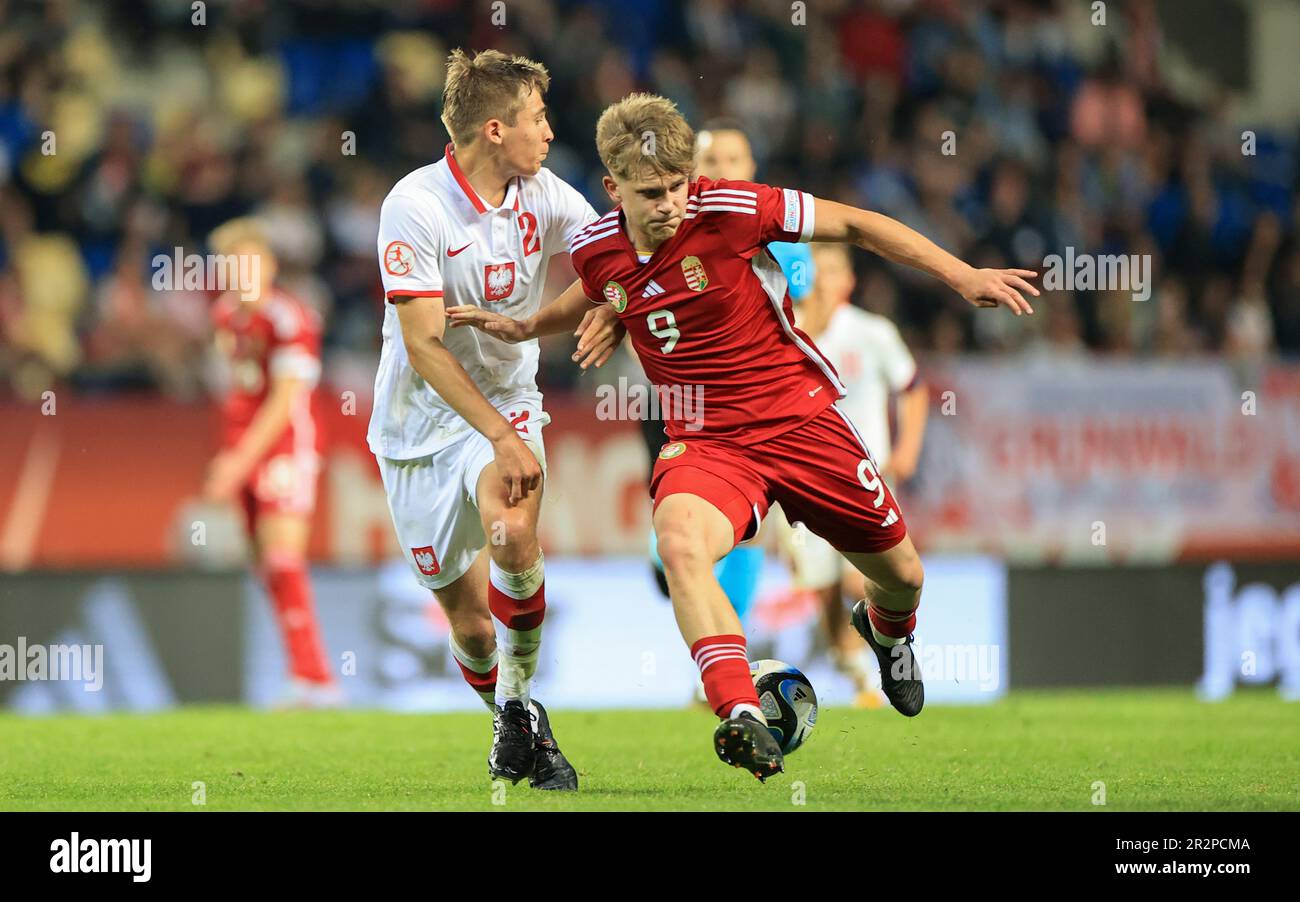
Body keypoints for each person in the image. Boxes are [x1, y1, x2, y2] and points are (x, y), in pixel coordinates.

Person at [561, 93, 1035, 781]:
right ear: (613, 191)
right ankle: (739, 712)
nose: (667, 204)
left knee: (902, 576)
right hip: (708, 437)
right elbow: (598, 282)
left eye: (675, 188)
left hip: (801, 420)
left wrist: (962, 275)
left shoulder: (735, 208)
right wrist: (577, 314)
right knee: (681, 547)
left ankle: (886, 632)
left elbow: (857, 226)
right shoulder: (592, 248)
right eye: (648, 193)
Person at [371, 49, 621, 789]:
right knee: (472, 627)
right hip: (416, 427)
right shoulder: (414, 205)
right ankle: (520, 720)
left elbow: (619, 255)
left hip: (508, 404)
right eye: (536, 118)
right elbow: (422, 347)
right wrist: (499, 436)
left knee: (512, 532)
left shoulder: (545, 193)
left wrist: (615, 306)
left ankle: (515, 708)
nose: (548, 132)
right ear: (493, 129)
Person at [784, 243, 929, 708]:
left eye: (831, 271)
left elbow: (912, 388)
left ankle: (871, 656)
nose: (821, 280)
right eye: (814, 271)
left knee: (856, 578)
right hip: (802, 479)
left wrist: (906, 448)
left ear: (847, 281)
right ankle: (854, 669)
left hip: (862, 475)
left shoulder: (872, 332)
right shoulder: (787, 332)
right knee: (822, 589)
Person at [204, 217, 339, 709]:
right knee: (265, 565)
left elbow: (284, 400)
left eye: (247, 263)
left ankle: (317, 679)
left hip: (286, 444)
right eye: (229, 265)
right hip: (245, 444)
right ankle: (303, 672)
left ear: (268, 266)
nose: (239, 274)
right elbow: (240, 392)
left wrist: (238, 461)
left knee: (284, 558)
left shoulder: (290, 319)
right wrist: (230, 452)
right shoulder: (225, 317)